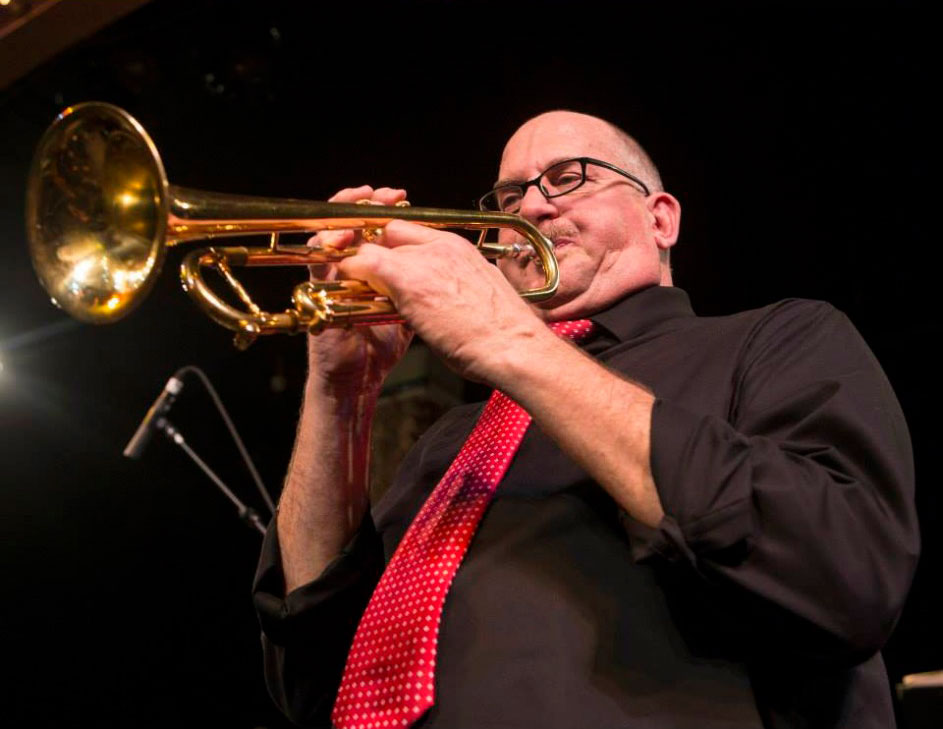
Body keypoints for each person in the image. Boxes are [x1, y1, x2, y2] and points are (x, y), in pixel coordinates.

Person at [253, 111, 919, 728]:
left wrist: (511, 342)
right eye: (509, 196)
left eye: (568, 177)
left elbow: (845, 573)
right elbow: (311, 671)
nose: (534, 207)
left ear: (659, 218)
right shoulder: (451, 442)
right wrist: (339, 388)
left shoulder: (778, 338)